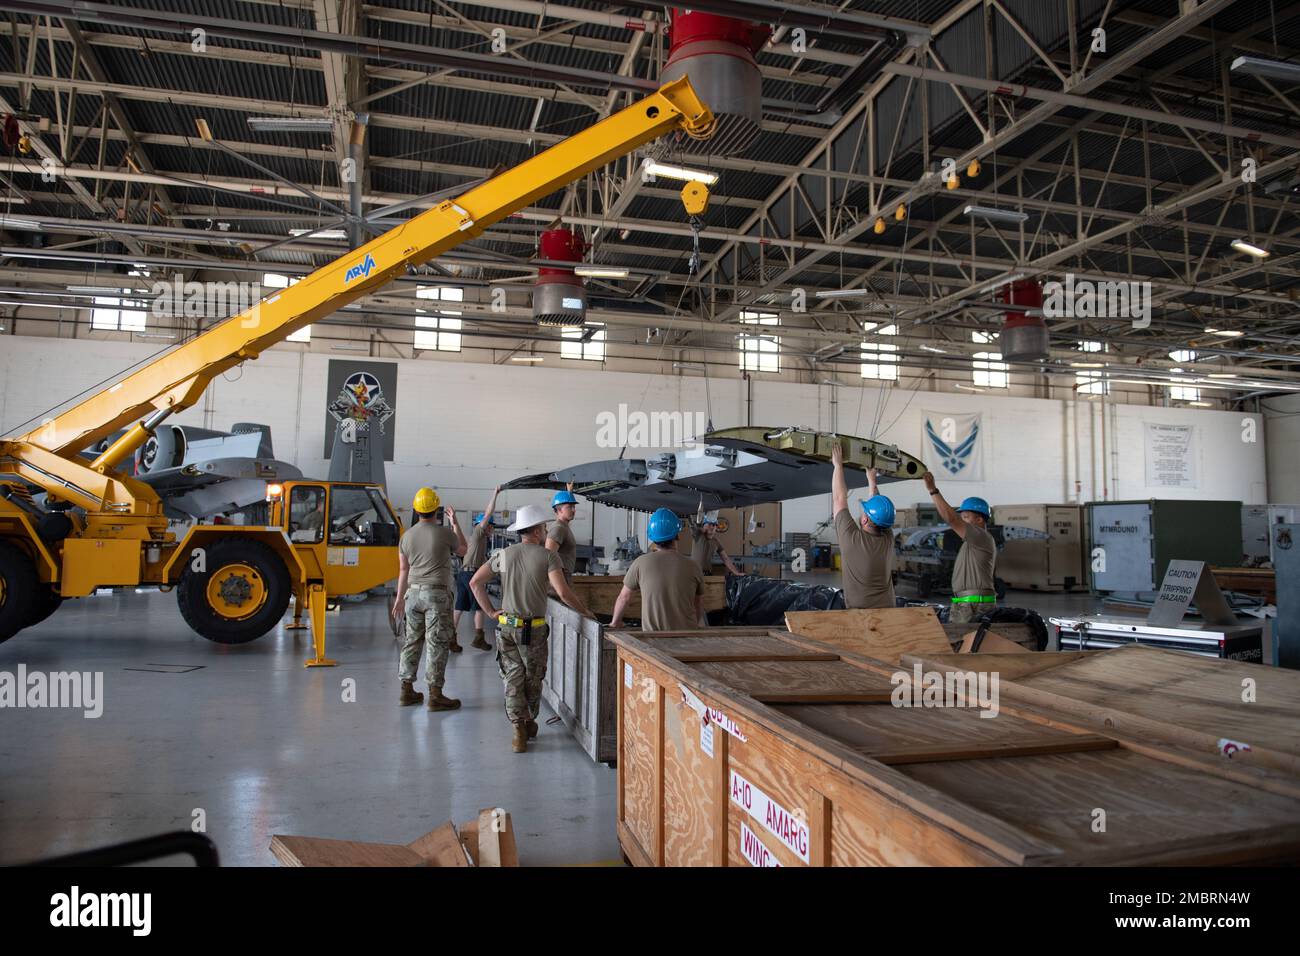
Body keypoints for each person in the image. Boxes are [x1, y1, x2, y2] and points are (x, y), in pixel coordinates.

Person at [470, 503, 593, 753]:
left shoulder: (503, 555)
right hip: (533, 630)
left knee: (513, 680)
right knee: (532, 680)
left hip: (506, 628)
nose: (546, 532)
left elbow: (475, 582)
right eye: (544, 528)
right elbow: (563, 592)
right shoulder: (548, 556)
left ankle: (519, 728)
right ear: (536, 531)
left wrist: (491, 612)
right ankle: (527, 722)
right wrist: (586, 612)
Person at [392, 487, 467, 709]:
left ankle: (406, 691)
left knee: (412, 641)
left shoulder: (406, 536)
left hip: (412, 594)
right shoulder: (443, 533)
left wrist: (399, 599)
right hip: (436, 595)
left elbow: (403, 570)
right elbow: (463, 550)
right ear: (437, 508)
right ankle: (435, 695)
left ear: (416, 509)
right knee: (437, 643)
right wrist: (455, 523)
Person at [610, 508, 704, 632]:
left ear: (653, 538)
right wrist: (694, 627)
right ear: (677, 535)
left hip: (654, 640)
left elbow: (624, 597)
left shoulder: (640, 563)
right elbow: (698, 604)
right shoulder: (693, 566)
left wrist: (615, 623)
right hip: (687, 638)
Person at [923, 472, 996, 624]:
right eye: (962, 517)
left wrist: (933, 490)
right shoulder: (971, 542)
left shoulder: (980, 536)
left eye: (965, 517)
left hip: (974, 605)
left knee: (966, 645)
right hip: (967, 603)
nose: (962, 521)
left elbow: (951, 519)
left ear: (979, 519)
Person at [830, 442, 896, 609]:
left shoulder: (852, 539)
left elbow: (839, 498)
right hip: (889, 609)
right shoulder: (888, 539)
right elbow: (880, 511)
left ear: (865, 520)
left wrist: (838, 465)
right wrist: (871, 479)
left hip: (860, 612)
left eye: (864, 512)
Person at [455, 485, 500, 651]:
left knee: (459, 607)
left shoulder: (478, 540)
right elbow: (488, 513)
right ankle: (479, 638)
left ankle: (450, 638)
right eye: (491, 525)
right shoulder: (479, 532)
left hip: (462, 574)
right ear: (486, 525)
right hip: (471, 574)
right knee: (480, 606)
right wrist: (495, 494)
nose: (492, 529)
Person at [545, 489, 579, 582]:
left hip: (564, 577)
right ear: (559, 509)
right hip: (560, 579)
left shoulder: (564, 527)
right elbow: (548, 558)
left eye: (574, 506)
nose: (574, 510)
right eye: (570, 507)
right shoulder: (558, 528)